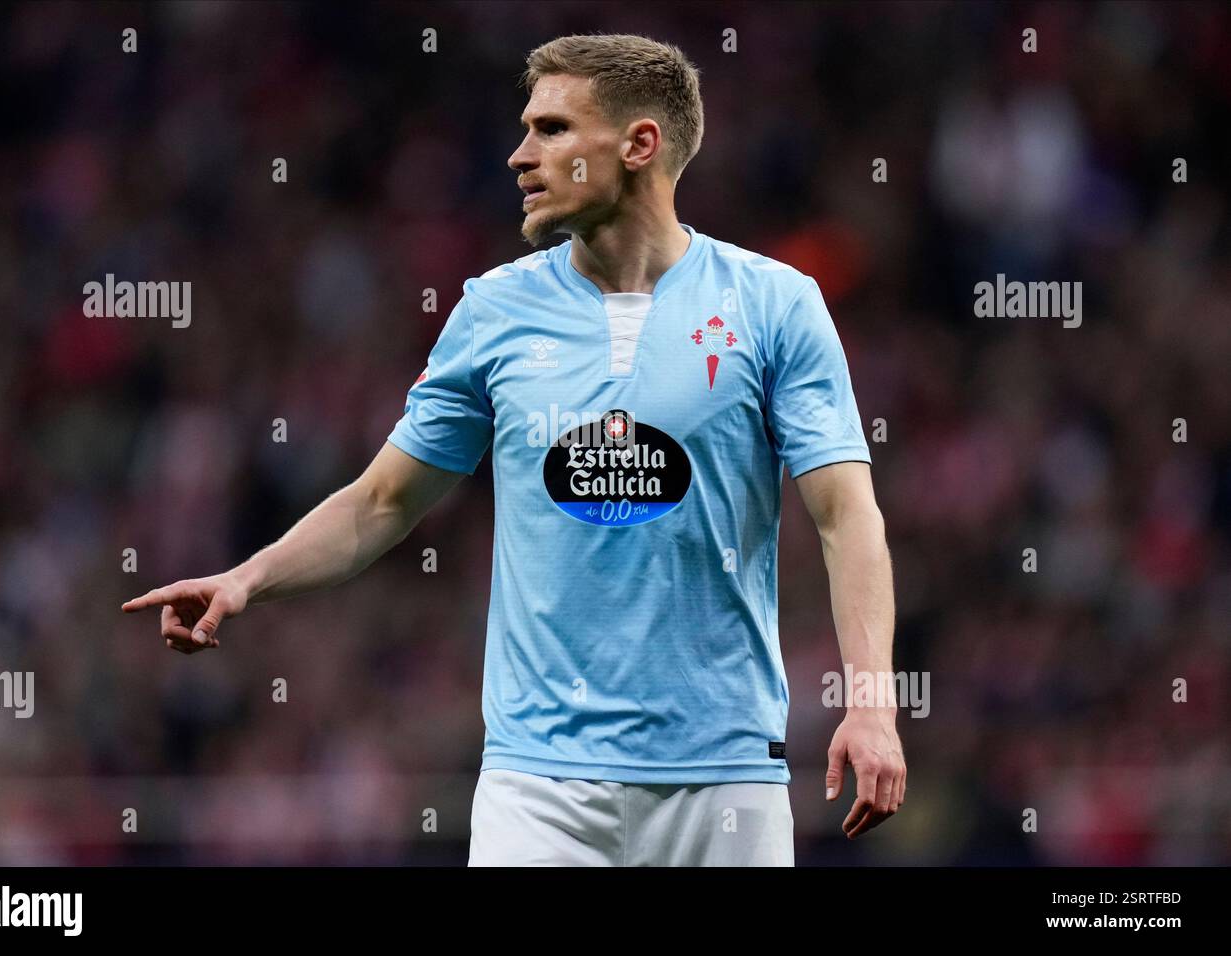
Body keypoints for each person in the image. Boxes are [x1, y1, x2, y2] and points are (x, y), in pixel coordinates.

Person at [122, 33, 905, 866]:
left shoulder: (776, 305)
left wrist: (871, 706)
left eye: (552, 130)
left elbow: (845, 514)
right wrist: (247, 578)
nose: (518, 155)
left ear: (639, 145)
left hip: (724, 782)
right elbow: (384, 501)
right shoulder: (493, 312)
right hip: (536, 792)